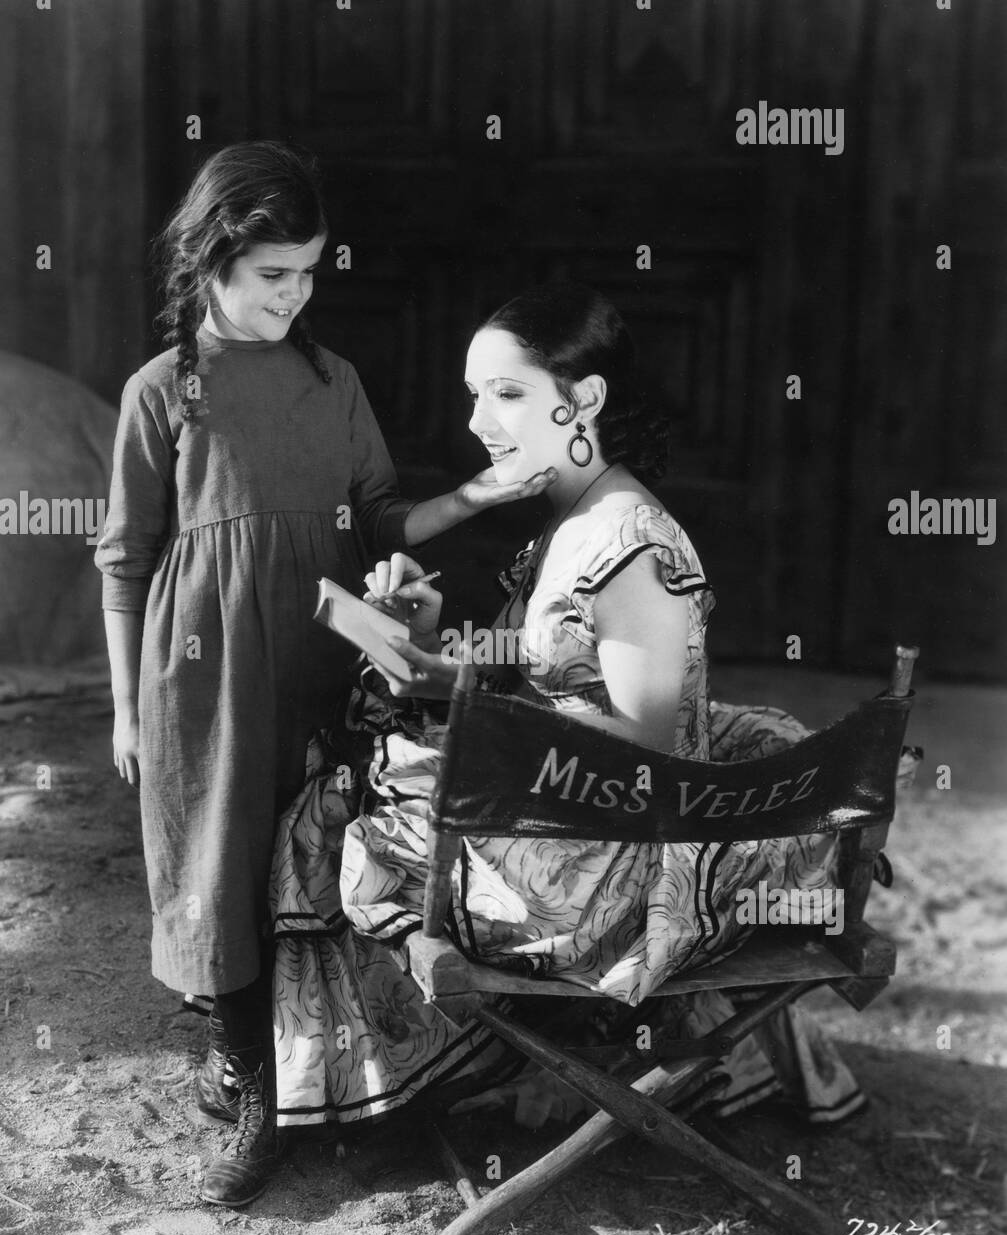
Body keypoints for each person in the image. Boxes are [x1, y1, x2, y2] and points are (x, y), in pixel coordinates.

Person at [271, 282, 870, 1149]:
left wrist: (475, 722)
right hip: (572, 813)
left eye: (507, 394)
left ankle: (440, 1073)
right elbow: (547, 676)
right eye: (475, 394)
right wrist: (428, 642)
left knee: (333, 819)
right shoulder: (570, 522)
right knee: (346, 794)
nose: (480, 421)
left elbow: (648, 742)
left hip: (617, 863)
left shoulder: (630, 544)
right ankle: (440, 1072)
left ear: (582, 398)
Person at [94, 141, 554, 1208]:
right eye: (274, 275)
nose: (296, 295)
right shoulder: (162, 391)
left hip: (322, 663)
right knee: (216, 873)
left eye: (309, 273)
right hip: (200, 683)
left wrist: (475, 501)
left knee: (307, 863)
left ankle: (331, 1073)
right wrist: (124, 705)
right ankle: (254, 1095)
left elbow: (384, 511)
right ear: (212, 259)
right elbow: (123, 560)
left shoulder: (332, 379)